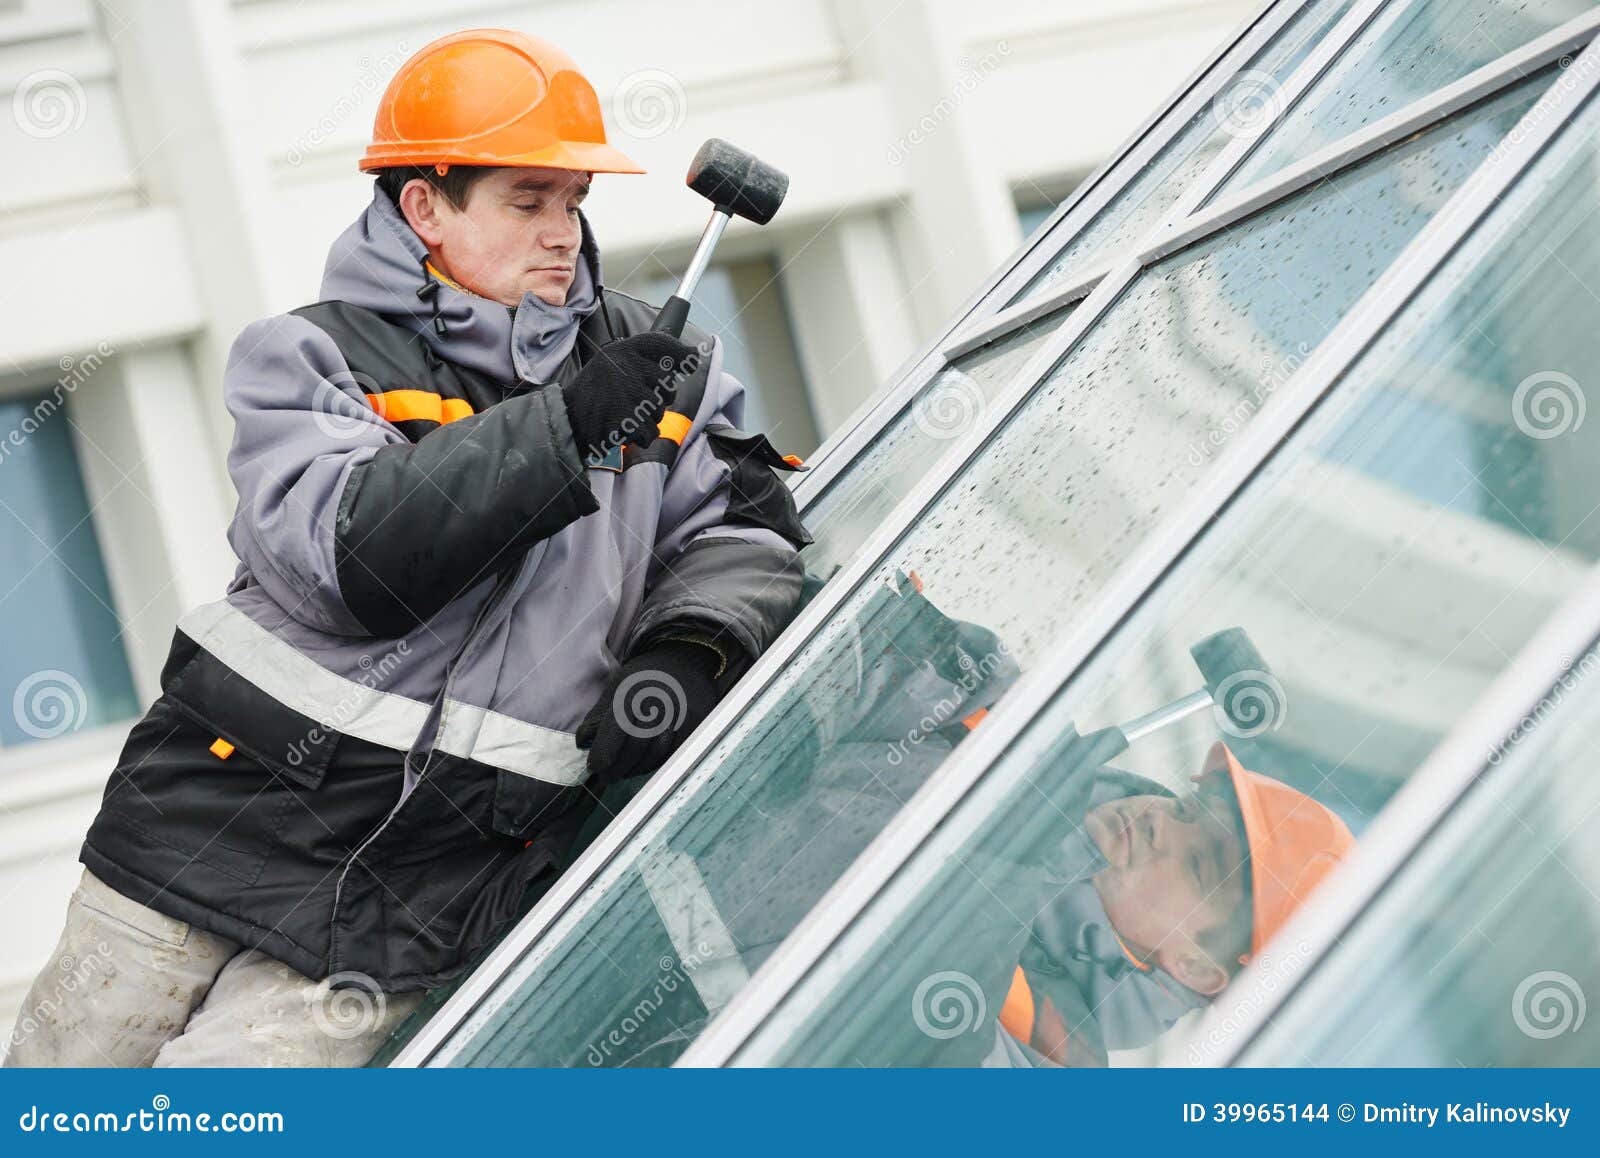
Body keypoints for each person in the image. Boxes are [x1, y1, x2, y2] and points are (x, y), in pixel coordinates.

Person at [4, 28, 809, 1068]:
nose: (561, 233)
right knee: (64, 1096)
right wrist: (564, 429)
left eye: (572, 202)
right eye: (526, 201)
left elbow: (747, 530)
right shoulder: (311, 354)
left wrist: (687, 647)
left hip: (433, 877)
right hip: (216, 821)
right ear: (425, 206)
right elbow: (359, 563)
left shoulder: (662, 370)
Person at [993, 741, 1355, 1066]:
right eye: (1185, 809)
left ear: (1196, 967)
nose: (1159, 821)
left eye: (1197, 865)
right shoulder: (1036, 746)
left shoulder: (1041, 1054)